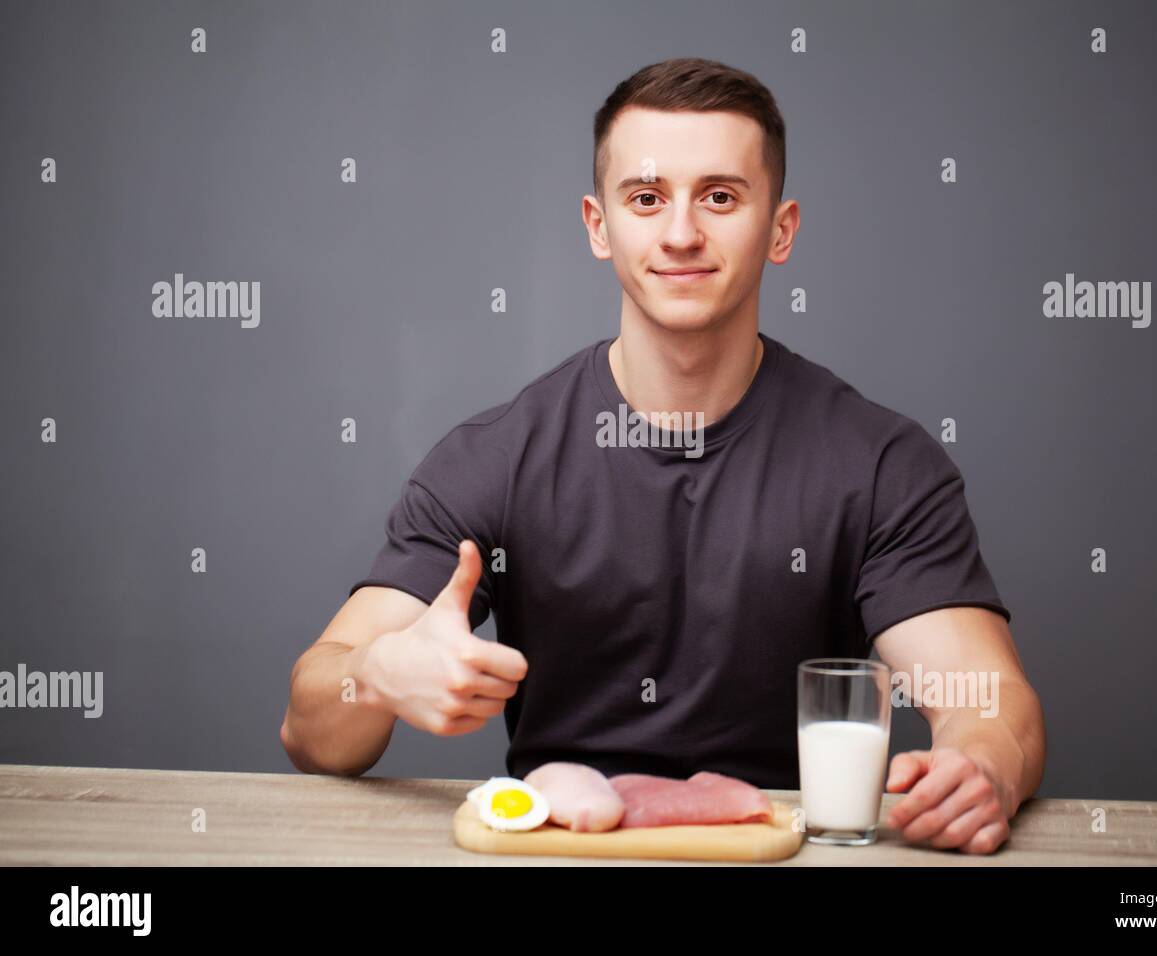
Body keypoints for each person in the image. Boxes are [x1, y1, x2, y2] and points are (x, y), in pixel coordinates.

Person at [281, 57, 1045, 855]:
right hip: (562, 852)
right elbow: (310, 730)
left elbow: (988, 698)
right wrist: (374, 673)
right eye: (646, 199)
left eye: (720, 196)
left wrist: (984, 764)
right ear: (598, 224)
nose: (681, 233)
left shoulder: (882, 463)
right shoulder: (494, 461)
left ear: (779, 229)